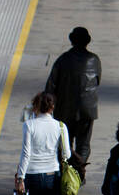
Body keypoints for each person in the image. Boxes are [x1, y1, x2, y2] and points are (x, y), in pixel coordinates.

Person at [44, 26, 102, 172]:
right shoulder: (94, 60)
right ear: (87, 41)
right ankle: (79, 172)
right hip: (88, 110)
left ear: (71, 41)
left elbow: (50, 87)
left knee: (65, 143)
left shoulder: (62, 60)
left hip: (65, 110)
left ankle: (66, 172)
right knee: (84, 144)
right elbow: (97, 81)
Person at [14, 90, 71, 195]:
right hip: (52, 175)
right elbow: (67, 155)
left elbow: (26, 153)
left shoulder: (29, 125)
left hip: (32, 175)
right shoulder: (61, 126)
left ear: (36, 107)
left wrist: (21, 178)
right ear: (52, 108)